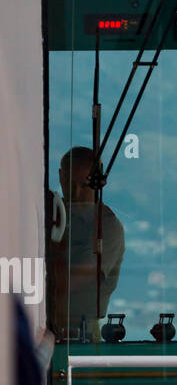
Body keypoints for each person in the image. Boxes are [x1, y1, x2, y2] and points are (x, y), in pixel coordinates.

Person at [47, 146, 125, 342]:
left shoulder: (106, 226)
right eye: (70, 183)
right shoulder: (52, 215)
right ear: (60, 176)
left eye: (84, 185)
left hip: (82, 334)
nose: (76, 192)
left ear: (98, 184)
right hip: (43, 326)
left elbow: (71, 280)